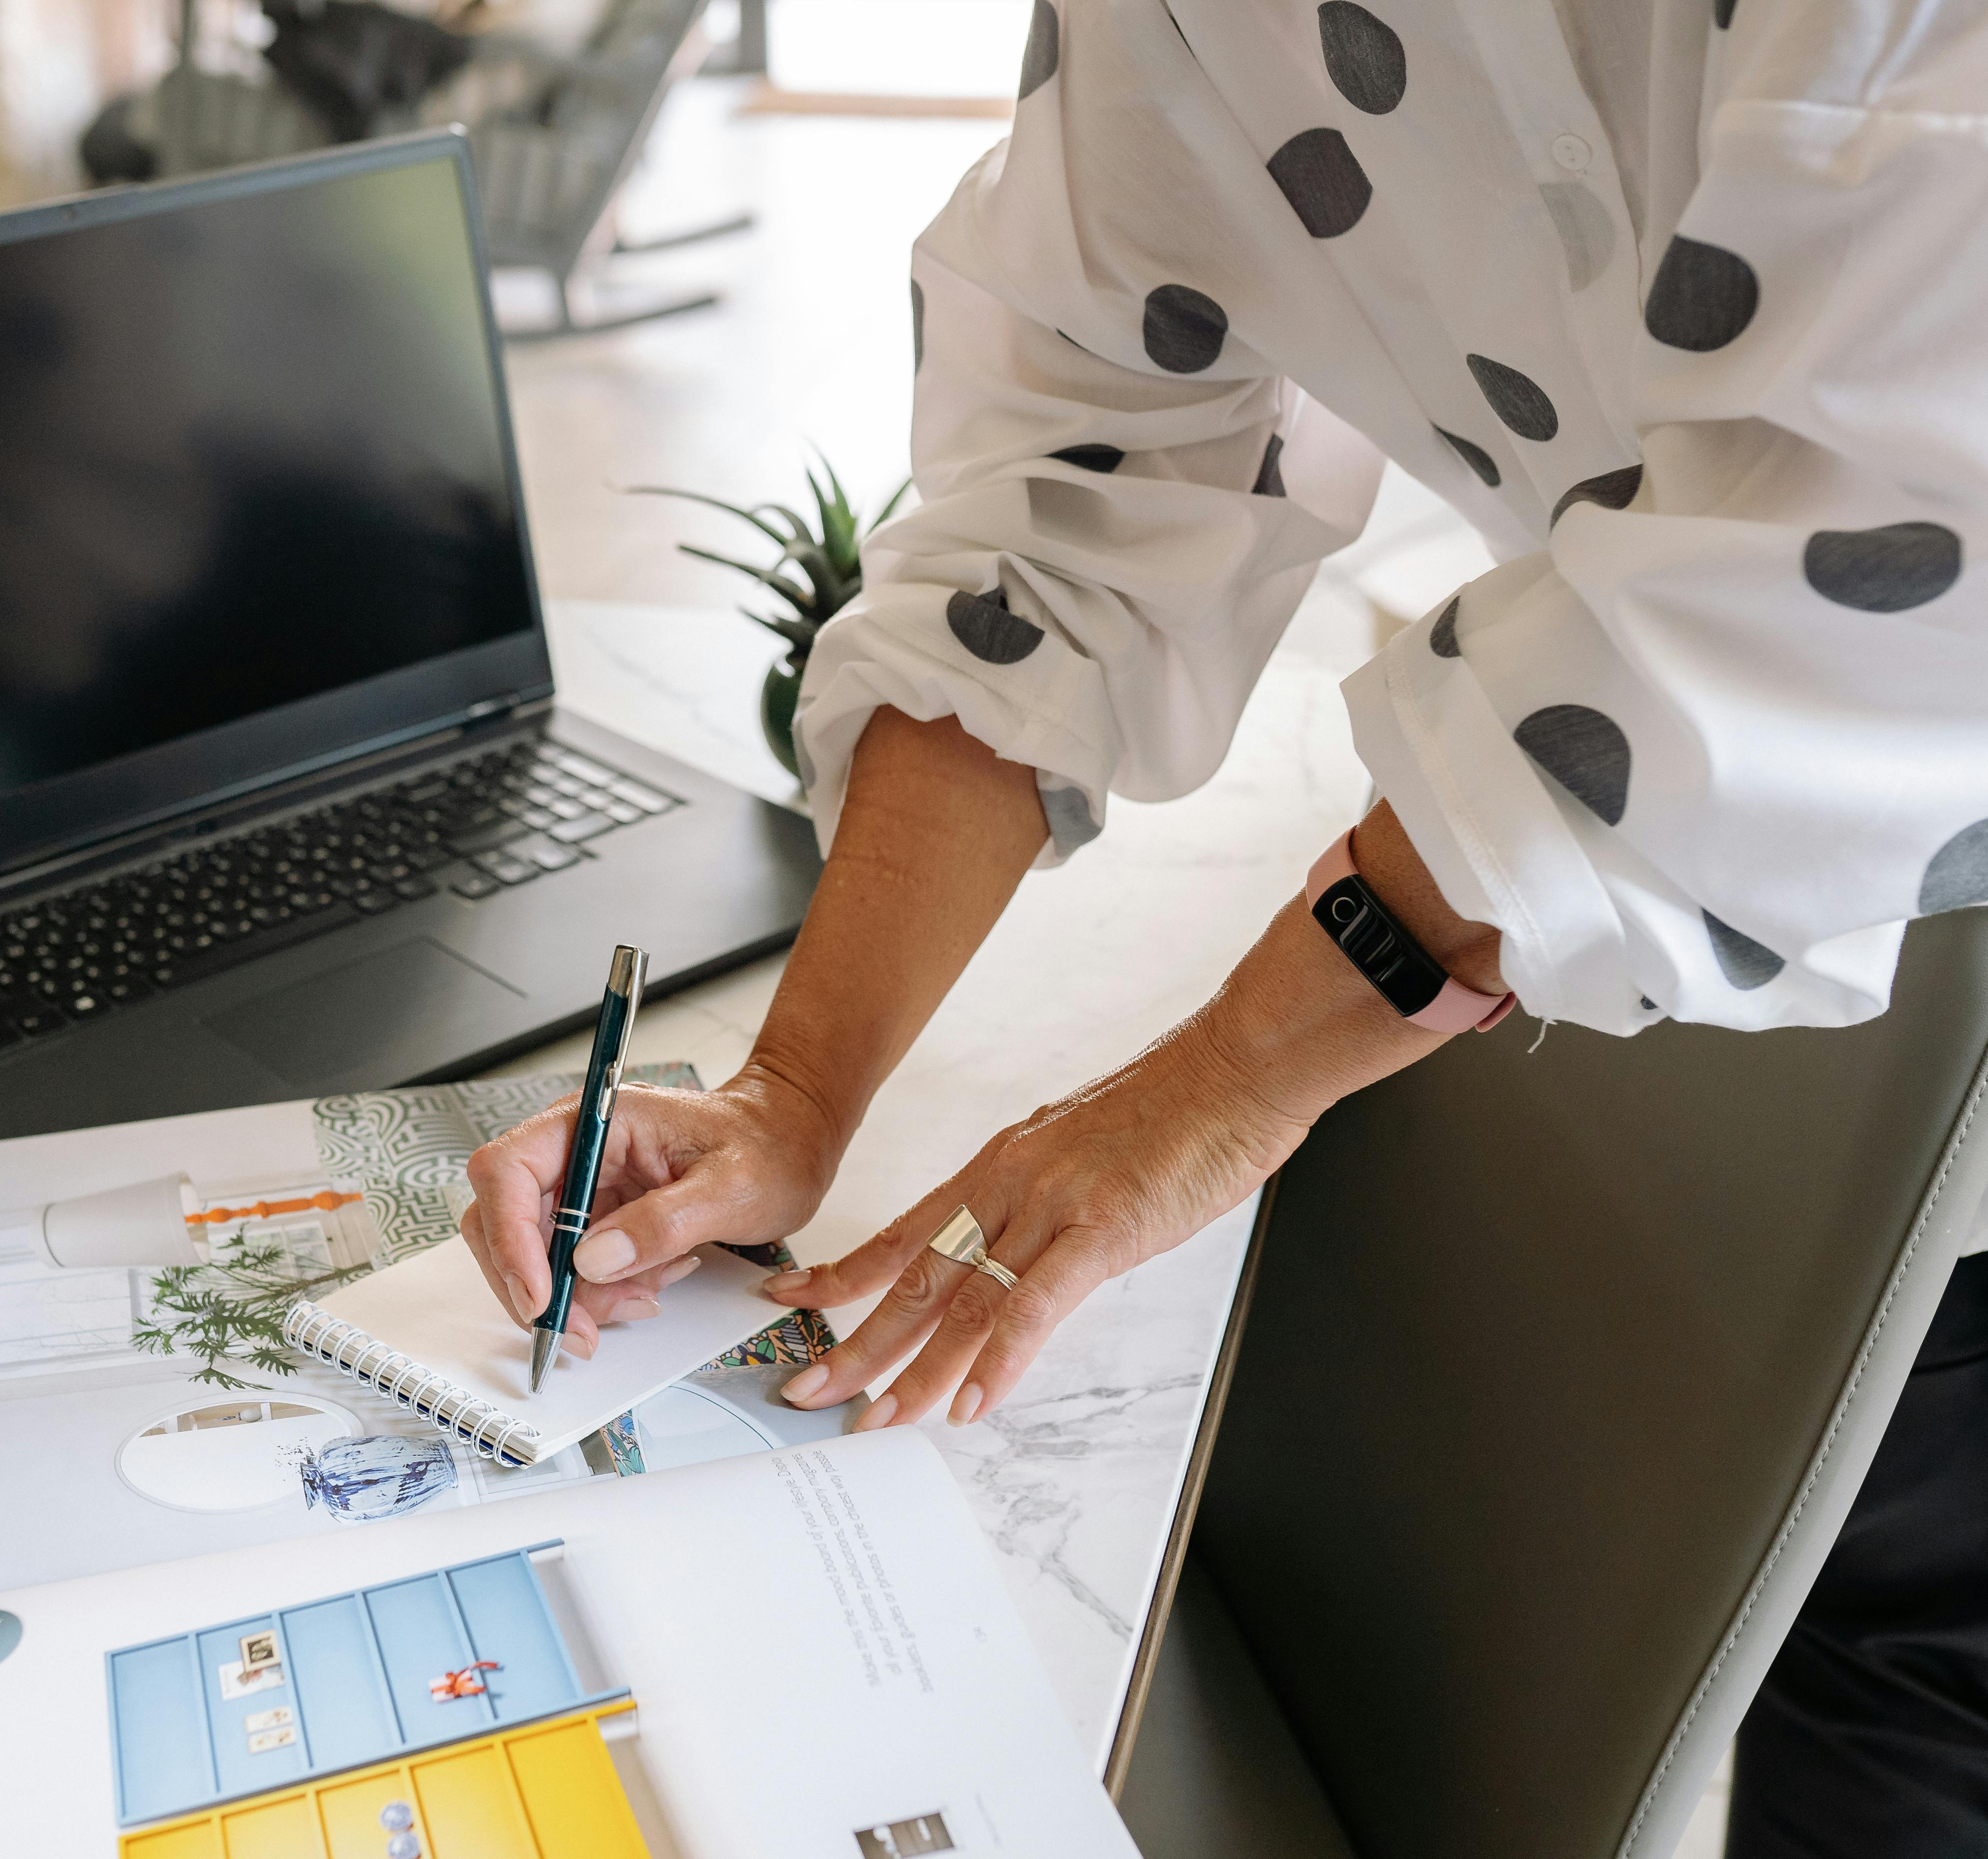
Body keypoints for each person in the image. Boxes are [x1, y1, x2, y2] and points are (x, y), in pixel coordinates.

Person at [458, 1, 1988, 1849]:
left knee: (1911, 1654)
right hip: (1665, 893)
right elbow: (1068, 509)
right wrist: (795, 1092)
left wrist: (1219, 1085)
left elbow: (1884, 563)